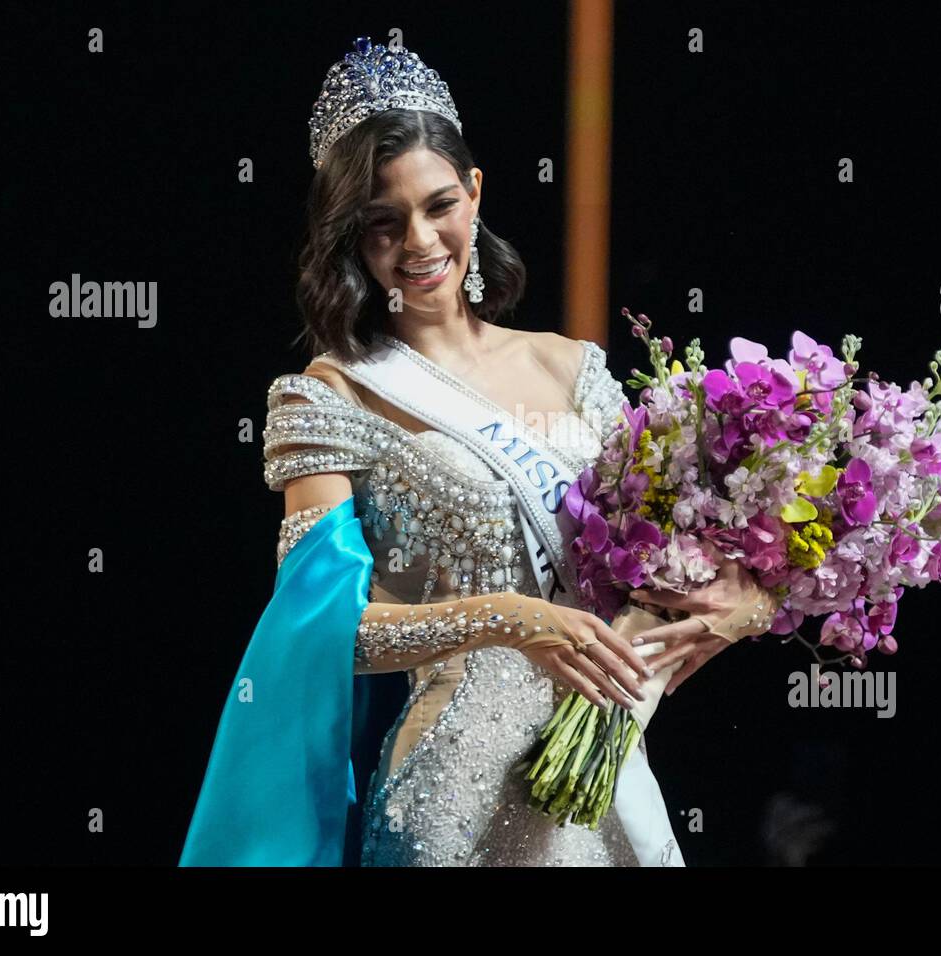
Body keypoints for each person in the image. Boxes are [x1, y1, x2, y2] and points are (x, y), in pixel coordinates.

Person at [179, 36, 767, 868]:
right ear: (351, 234)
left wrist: (743, 606)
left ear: (477, 193)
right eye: (383, 222)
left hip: (606, 782)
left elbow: (664, 572)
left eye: (439, 204)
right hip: (450, 796)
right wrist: (510, 620)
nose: (419, 242)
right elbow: (326, 634)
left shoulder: (576, 368)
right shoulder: (331, 393)